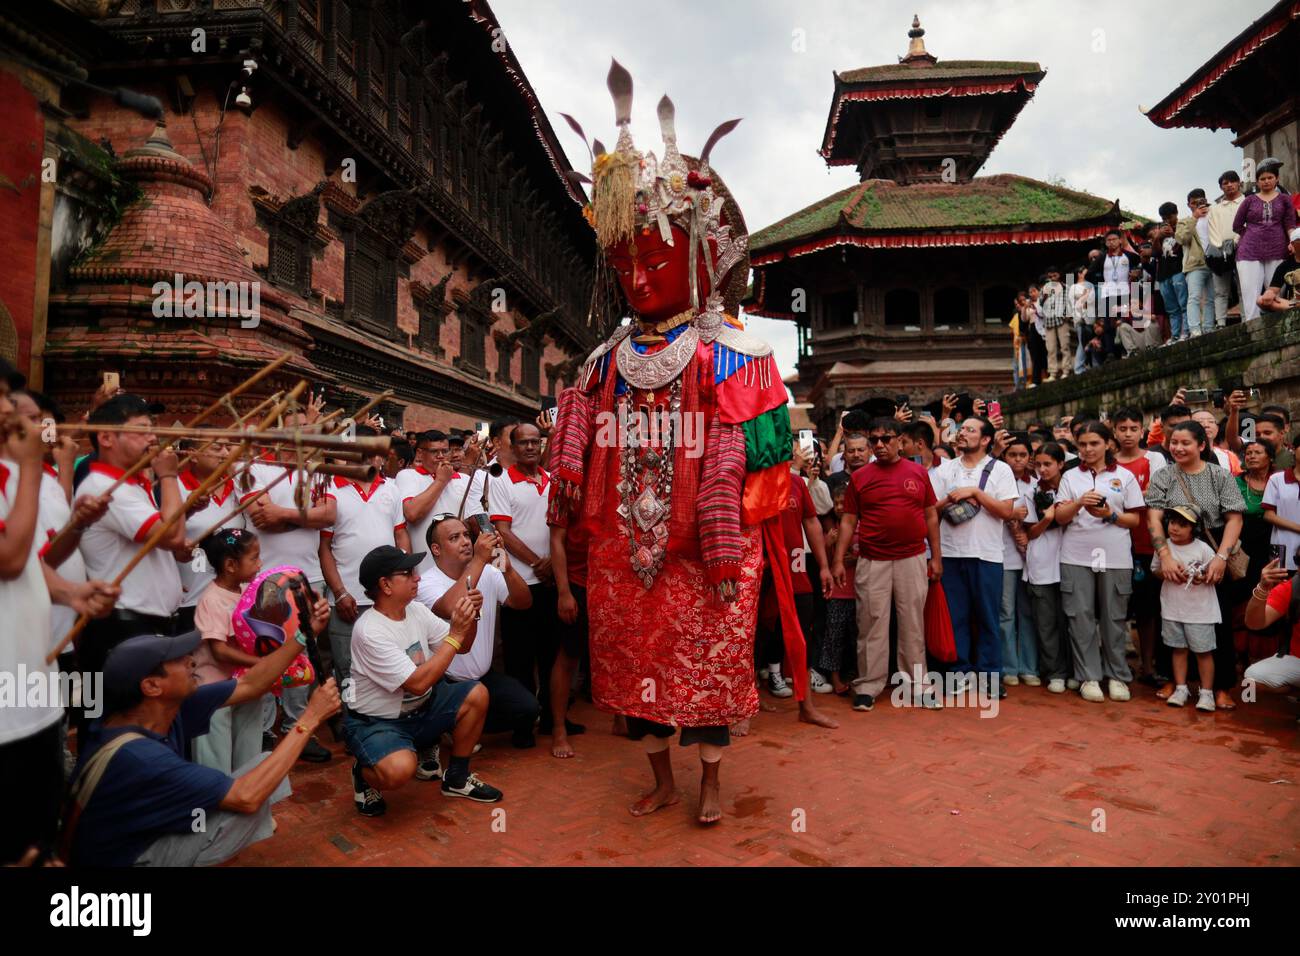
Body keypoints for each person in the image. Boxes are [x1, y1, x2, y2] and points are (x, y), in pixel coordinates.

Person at [548, 69, 836, 826]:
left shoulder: (734, 354)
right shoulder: (604, 363)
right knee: (637, 674)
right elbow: (580, 440)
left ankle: (709, 782)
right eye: (625, 267)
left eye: (656, 260)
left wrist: (720, 509)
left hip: (705, 555)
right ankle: (663, 778)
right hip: (623, 553)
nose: (638, 279)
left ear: (703, 258)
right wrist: (572, 463)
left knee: (706, 671)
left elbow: (771, 465)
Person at [67, 599, 338, 866]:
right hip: (128, 859)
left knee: (264, 766)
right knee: (245, 807)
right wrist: (309, 719)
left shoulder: (153, 708)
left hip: (139, 830)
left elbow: (250, 684)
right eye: (177, 659)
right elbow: (246, 797)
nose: (191, 661)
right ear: (151, 686)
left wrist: (304, 634)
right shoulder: (141, 758)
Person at [0, 384, 118, 865]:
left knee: (41, 841)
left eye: (18, 404)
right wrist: (34, 465)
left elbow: (33, 559)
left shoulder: (29, 474)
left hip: (37, 685)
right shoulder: (29, 471)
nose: (13, 413)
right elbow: (9, 559)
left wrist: (73, 592)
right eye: (5, 401)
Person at [345, 545, 500, 816]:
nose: (417, 577)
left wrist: (470, 616)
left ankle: (457, 779)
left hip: (422, 709)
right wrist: (456, 633)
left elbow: (462, 646)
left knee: (477, 694)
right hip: (379, 722)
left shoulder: (415, 610)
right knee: (398, 771)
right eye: (407, 573)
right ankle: (364, 771)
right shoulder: (369, 630)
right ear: (385, 585)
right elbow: (417, 682)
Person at [76, 394, 189, 680]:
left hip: (144, 627)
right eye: (141, 430)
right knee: (113, 720)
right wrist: (169, 476)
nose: (151, 438)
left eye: (152, 429)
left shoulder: (131, 484)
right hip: (124, 629)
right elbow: (172, 535)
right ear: (106, 438)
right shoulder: (105, 487)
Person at [831, 418, 940, 711]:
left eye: (886, 438)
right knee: (870, 622)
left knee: (913, 624)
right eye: (875, 439)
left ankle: (918, 685)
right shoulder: (861, 477)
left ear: (900, 440)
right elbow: (849, 520)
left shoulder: (918, 473)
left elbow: (931, 515)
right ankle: (868, 685)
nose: (880, 444)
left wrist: (937, 557)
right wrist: (838, 560)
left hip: (912, 557)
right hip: (872, 560)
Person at [1145, 420, 1247, 710]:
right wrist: (1164, 555)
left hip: (1213, 551)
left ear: (1202, 445)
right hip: (1173, 551)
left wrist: (1221, 558)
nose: (1178, 447)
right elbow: (1153, 517)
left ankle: (1220, 687)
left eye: (1185, 442)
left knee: (1218, 624)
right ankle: (1173, 680)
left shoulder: (1219, 476)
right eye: (1174, 442)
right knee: (1171, 619)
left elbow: (1234, 518)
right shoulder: (1164, 475)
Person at [420, 516, 536, 753]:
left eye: (466, 535)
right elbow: (449, 607)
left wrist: (506, 566)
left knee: (528, 709)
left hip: (484, 676)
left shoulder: (489, 573)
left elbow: (523, 602)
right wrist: (480, 559)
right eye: (454, 538)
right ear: (436, 549)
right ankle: (451, 726)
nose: (465, 541)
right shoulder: (426, 582)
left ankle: (461, 726)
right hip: (445, 682)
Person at [490, 421, 574, 743]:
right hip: (520, 583)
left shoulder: (553, 480)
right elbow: (503, 532)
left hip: (551, 582)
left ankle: (555, 718)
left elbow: (560, 529)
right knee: (519, 657)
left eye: (534, 442)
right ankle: (523, 726)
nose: (529, 447)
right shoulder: (502, 482)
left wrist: (554, 563)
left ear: (541, 445)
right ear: (513, 447)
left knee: (551, 654)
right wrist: (537, 562)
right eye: (523, 443)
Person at [1054, 421, 1144, 703]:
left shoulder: (1125, 477)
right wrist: (1080, 503)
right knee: (1080, 618)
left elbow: (1135, 520)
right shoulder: (1070, 477)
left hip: (1115, 556)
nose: (1088, 449)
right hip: (1076, 555)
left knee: (1114, 619)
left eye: (1094, 443)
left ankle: (1117, 676)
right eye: (1082, 444)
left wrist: (1109, 515)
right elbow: (1059, 518)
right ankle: (1088, 677)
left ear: (1108, 444)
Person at [930, 417, 1018, 698]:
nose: (962, 434)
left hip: (987, 554)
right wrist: (952, 499)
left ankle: (991, 675)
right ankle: (959, 672)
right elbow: (930, 510)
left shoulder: (1001, 470)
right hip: (951, 553)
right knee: (955, 616)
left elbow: (1006, 511)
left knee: (988, 618)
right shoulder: (945, 470)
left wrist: (976, 493)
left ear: (985, 440)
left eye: (970, 430)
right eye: (961, 429)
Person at [319, 424, 409, 694]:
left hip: (385, 596)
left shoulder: (391, 490)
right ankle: (351, 724)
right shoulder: (331, 489)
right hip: (348, 600)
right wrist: (340, 592)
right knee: (348, 668)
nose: (376, 458)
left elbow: (400, 535)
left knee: (389, 663)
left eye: (379, 452)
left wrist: (402, 573)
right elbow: (324, 548)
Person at [191, 528, 267, 773]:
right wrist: (260, 663)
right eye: (254, 558)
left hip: (246, 685)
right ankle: (216, 810)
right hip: (215, 693)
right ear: (231, 565)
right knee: (215, 761)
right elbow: (219, 651)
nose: (260, 564)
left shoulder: (247, 592)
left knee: (249, 753)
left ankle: (248, 804)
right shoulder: (212, 600)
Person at [1113, 407, 1167, 683]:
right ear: (1113, 431)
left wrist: (1122, 496)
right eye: (1122, 428)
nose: (1128, 434)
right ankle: (1117, 667)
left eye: (1134, 428)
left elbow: (1159, 493)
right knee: (1115, 610)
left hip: (1148, 545)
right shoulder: (1108, 461)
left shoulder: (1154, 458)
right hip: (1114, 546)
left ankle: (1148, 667)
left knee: (1148, 611)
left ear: (1143, 430)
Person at [1152, 507, 1221, 711]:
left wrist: (1203, 577)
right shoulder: (1164, 549)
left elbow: (1217, 575)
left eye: (1183, 525)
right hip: (1173, 608)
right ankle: (1181, 688)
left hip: (1200, 612)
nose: (1175, 528)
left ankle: (1207, 693)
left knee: (1203, 652)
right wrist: (1167, 573)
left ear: (1194, 528)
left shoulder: (1203, 549)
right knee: (1178, 649)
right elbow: (1155, 570)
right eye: (1173, 522)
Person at [1023, 442, 1070, 692]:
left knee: (1071, 619)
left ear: (1061, 464)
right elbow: (1029, 532)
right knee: (1046, 621)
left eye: (1048, 464)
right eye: (1038, 464)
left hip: (1071, 559)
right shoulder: (1031, 491)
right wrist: (1048, 518)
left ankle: (1075, 670)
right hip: (1041, 562)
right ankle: (1055, 672)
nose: (1042, 469)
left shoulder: (1072, 486)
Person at [397, 430, 475, 575]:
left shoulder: (463, 480)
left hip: (461, 569)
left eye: (445, 451)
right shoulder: (407, 476)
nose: (440, 457)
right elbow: (412, 514)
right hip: (425, 570)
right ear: (420, 453)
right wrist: (441, 481)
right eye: (434, 452)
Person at [1234, 158, 1297, 321]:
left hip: (1278, 249)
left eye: (1270, 178)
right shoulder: (1249, 200)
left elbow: (1290, 224)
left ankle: (1280, 327)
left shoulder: (1285, 199)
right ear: (1257, 181)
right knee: (1251, 295)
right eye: (1262, 179)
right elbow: (1237, 225)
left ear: (1277, 179)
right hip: (1249, 251)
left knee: (1276, 293)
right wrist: (1252, 235)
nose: (1266, 181)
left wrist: (1293, 242)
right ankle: (1252, 330)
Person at [998, 435, 1038, 686]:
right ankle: (1008, 666)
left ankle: (1029, 666)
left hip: (1032, 557)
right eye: (1012, 455)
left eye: (1023, 455)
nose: (1018, 460)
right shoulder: (996, 483)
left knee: (1028, 613)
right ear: (1004, 456)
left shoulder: (1036, 484)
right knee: (1006, 613)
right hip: (1004, 555)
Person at [1243, 558, 1300, 693]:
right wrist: (1262, 588)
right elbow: (1254, 623)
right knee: (1252, 677)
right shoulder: (1294, 587)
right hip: (1297, 660)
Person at [1207, 170, 1244, 326]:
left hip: (1243, 247)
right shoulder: (1215, 208)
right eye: (1225, 183)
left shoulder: (1246, 202)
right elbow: (1212, 228)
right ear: (1221, 187)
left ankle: (1246, 317)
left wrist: (1236, 241)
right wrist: (1220, 246)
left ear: (1238, 183)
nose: (1229, 185)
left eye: (1232, 181)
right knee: (1220, 290)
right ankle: (1220, 322)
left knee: (1244, 286)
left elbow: (1247, 223)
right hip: (1220, 252)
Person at [1179, 189, 1214, 337]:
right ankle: (1194, 329)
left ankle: (1208, 327)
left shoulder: (1213, 214)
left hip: (1214, 262)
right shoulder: (1184, 221)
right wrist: (1195, 217)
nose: (1198, 205)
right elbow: (1183, 239)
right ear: (1189, 205)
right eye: (1194, 203)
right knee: (1194, 297)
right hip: (1194, 265)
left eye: (1201, 201)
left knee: (1212, 298)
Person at [1263, 433, 1300, 572]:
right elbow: (1269, 515)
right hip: (1282, 545)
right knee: (1279, 587)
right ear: (1293, 449)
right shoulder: (1277, 479)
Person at [1154, 202, 1188, 342]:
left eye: (1169, 217)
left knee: (1184, 304)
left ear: (1176, 213)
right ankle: (1175, 335)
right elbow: (1156, 253)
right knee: (1171, 308)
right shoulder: (1159, 230)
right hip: (1163, 274)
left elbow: (1184, 244)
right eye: (1163, 218)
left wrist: (1174, 233)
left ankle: (1186, 332)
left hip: (1179, 270)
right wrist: (1157, 237)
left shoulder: (1183, 226)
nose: (1166, 220)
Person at [1257, 226, 1300, 314]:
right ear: (1292, 244)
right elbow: (1273, 290)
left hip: (1292, 305)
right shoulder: (1284, 266)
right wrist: (1269, 294)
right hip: (1292, 304)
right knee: (1260, 300)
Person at [1039, 266, 1070, 381]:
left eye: (1054, 275)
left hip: (1062, 319)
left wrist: (1068, 314)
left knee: (1064, 346)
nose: (1052, 278)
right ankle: (1053, 373)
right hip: (1049, 320)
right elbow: (1041, 303)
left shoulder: (1065, 287)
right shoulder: (1045, 288)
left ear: (1059, 275)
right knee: (1051, 349)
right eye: (1050, 276)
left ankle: (1066, 370)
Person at [1070, 262, 1097, 374]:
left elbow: (1091, 300)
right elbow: (1073, 303)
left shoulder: (1090, 285)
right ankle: (1078, 367)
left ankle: (1093, 364)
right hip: (1080, 318)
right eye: (1084, 271)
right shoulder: (1073, 287)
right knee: (1082, 342)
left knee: (1092, 341)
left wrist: (1082, 298)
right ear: (1079, 274)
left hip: (1090, 317)